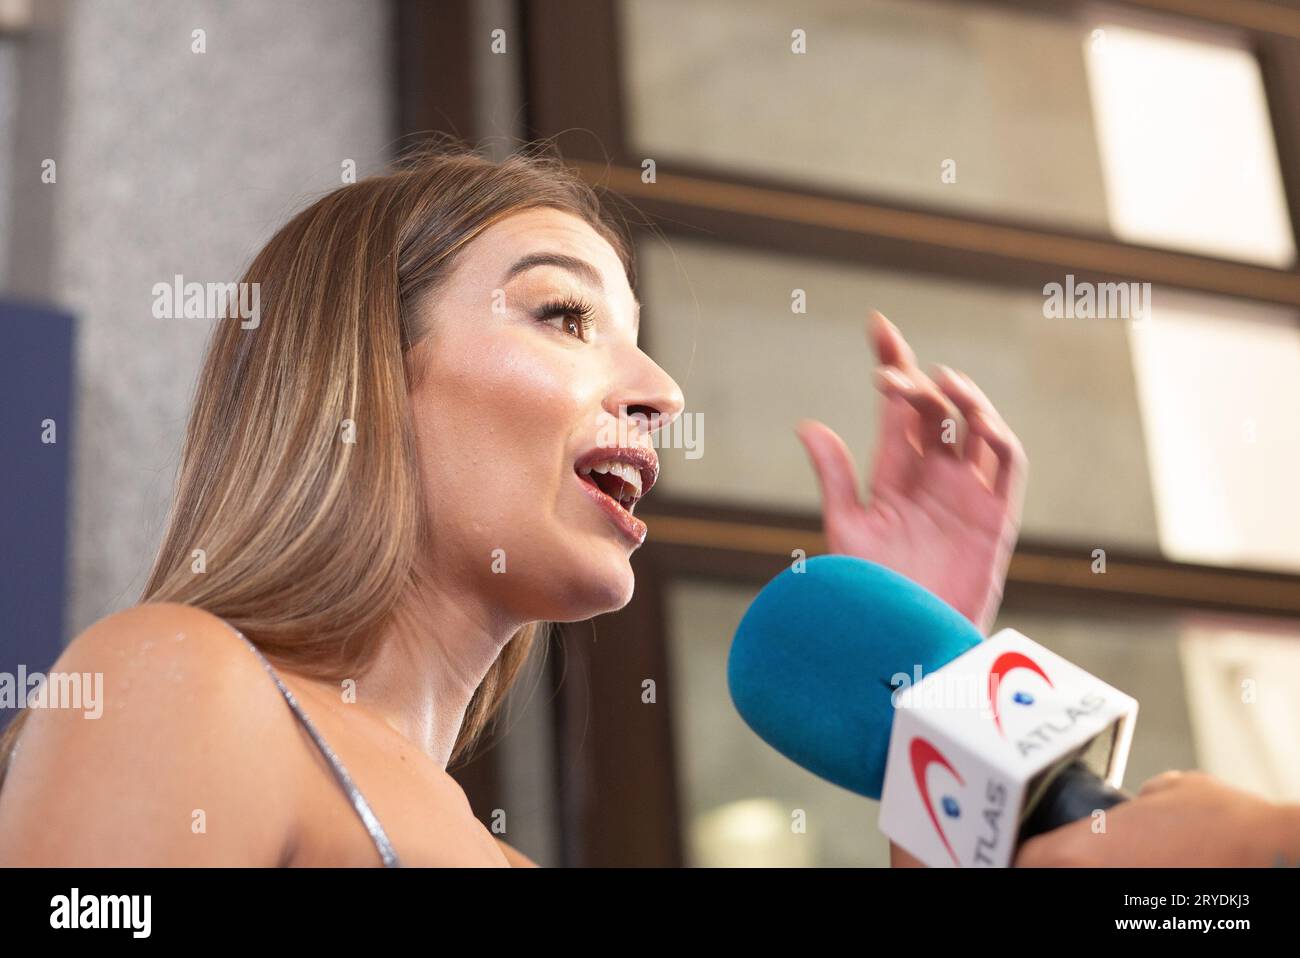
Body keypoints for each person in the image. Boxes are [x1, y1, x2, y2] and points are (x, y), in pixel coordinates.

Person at [0, 141, 1025, 866]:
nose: (663, 391)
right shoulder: (178, 677)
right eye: (565, 313)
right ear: (363, 376)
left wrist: (928, 683)